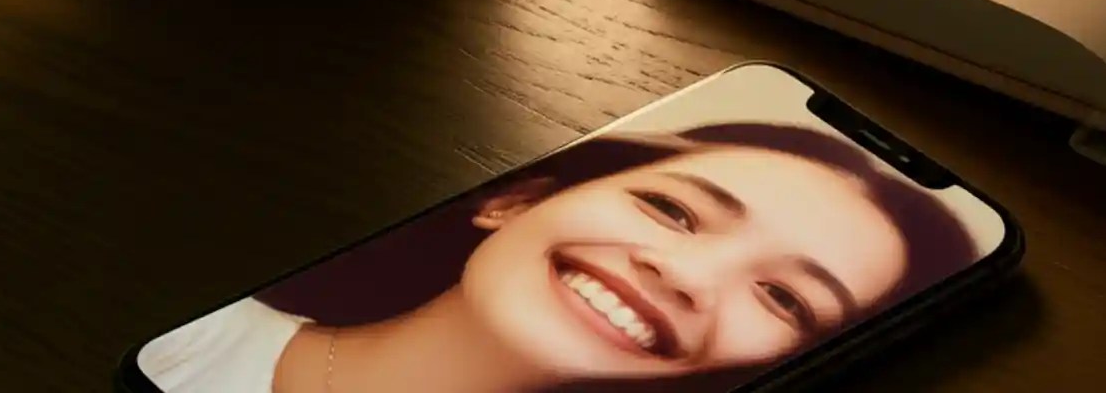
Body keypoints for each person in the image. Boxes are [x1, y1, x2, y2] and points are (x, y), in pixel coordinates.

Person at [138, 123, 978, 392]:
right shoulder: (190, 343)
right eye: (671, 209)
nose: (685, 276)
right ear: (518, 199)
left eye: (787, 301)